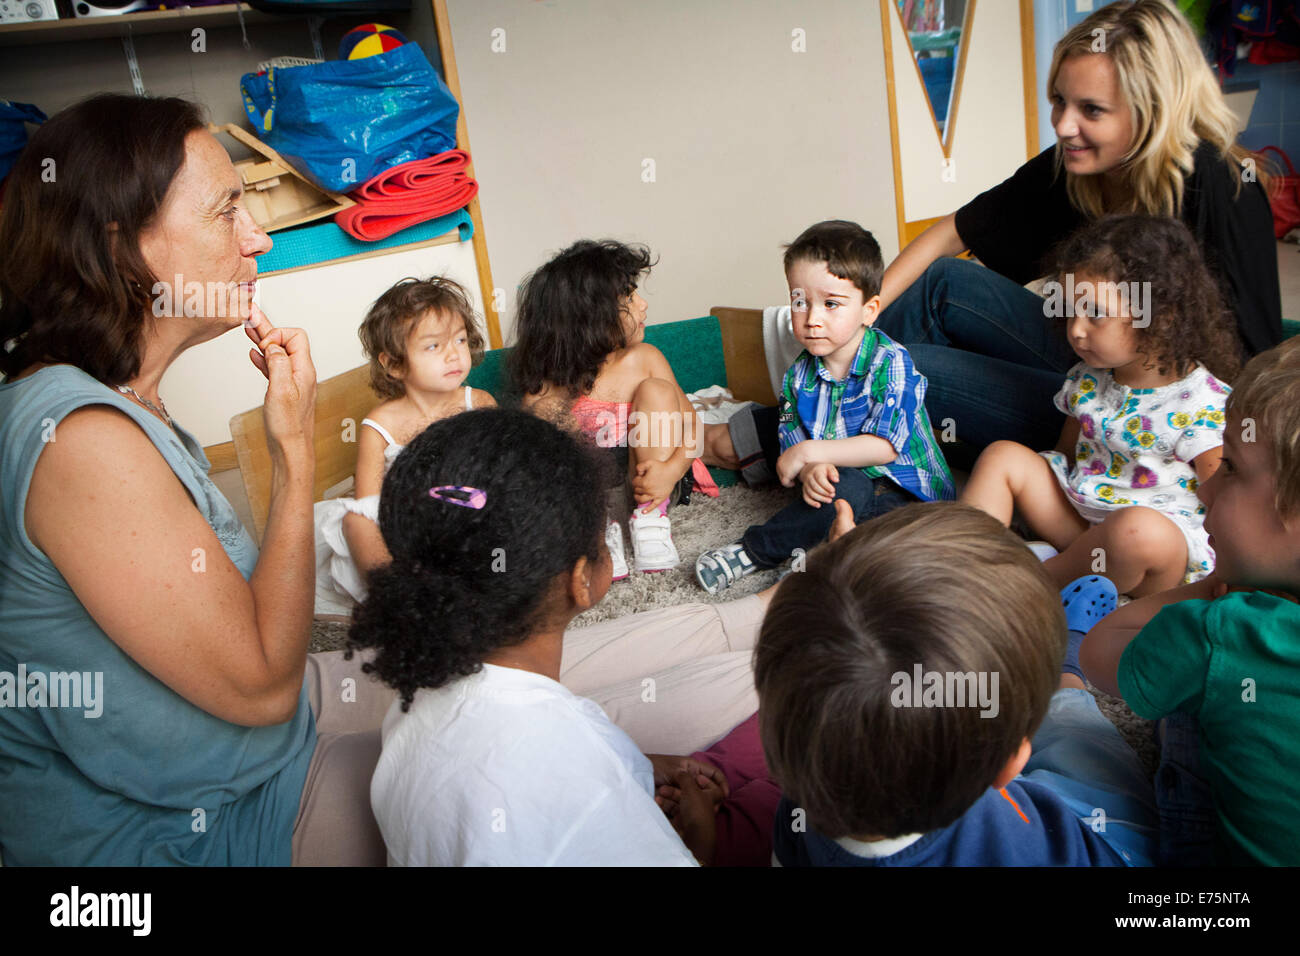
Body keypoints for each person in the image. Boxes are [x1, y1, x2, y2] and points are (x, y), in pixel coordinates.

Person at [706, 0, 1280, 468]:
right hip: (1090, 359)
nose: (1063, 125)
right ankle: (803, 416)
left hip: (1155, 409)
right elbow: (950, 234)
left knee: (910, 371)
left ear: (1153, 108)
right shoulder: (1075, 166)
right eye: (1058, 101)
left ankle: (787, 434)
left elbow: (1251, 365)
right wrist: (863, 315)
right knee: (940, 284)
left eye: (1090, 110)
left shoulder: (1223, 186)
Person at [356, 408, 780, 865]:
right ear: (581, 579)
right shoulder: (579, 772)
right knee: (776, 795)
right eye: (603, 535)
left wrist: (641, 767)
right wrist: (699, 832)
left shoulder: (412, 704)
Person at [756, 502, 1157, 866]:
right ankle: (1069, 673)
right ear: (1008, 764)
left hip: (963, 783)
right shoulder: (1020, 851)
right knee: (1075, 733)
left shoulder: (805, 799)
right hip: (1106, 843)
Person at [1081, 338, 1300, 866]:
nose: (1203, 491)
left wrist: (1210, 588)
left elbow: (1100, 651)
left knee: (1082, 727)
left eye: (1232, 470)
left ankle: (1063, 687)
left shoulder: (1226, 629)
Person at [960, 215, 1240, 594]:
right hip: (1084, 522)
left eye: (1095, 314)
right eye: (1071, 311)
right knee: (1003, 457)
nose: (1076, 329)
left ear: (1161, 318)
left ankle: (1022, 588)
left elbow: (1229, 502)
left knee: (1137, 533)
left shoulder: (1204, 404)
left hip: (1152, 554)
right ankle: (962, 563)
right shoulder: (1089, 377)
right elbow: (1065, 456)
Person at [694, 221, 954, 594]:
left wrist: (810, 452)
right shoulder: (799, 375)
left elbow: (884, 446)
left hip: (904, 496)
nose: (812, 318)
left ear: (869, 310)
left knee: (854, 502)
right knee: (822, 475)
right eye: (800, 302)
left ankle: (757, 551)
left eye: (831, 304)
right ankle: (817, 547)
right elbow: (790, 434)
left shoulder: (891, 362)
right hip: (841, 475)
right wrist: (810, 467)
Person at [509, 239, 704, 577]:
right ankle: (597, 531)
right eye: (629, 297)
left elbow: (694, 429)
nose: (643, 305)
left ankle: (649, 520)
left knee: (657, 390)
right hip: (590, 499)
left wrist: (671, 471)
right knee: (543, 419)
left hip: (652, 482)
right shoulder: (545, 386)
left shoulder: (644, 359)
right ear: (590, 317)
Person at [315, 276, 495, 607]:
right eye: (434, 346)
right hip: (407, 527)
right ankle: (397, 598)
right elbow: (369, 505)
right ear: (395, 364)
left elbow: (498, 472)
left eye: (459, 340)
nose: (454, 355)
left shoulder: (479, 404)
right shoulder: (379, 425)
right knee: (354, 522)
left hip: (468, 518)